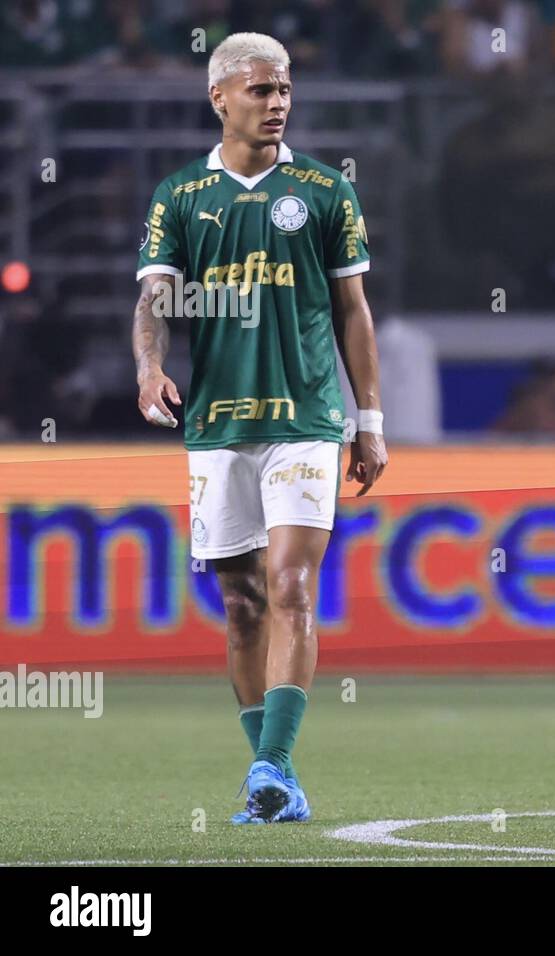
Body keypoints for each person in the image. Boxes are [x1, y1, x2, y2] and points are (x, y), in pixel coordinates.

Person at [132, 32, 388, 824]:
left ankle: (274, 764)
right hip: (215, 422)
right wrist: (149, 368)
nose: (276, 104)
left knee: (290, 585)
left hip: (306, 417)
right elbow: (154, 300)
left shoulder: (323, 191)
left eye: (283, 91)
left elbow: (353, 311)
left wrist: (368, 419)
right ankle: (270, 777)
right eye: (260, 91)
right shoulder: (179, 196)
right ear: (220, 97)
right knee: (242, 602)